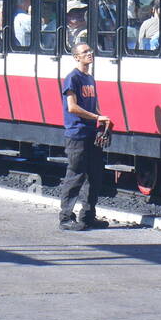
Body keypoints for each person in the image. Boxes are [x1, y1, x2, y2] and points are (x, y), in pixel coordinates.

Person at [59, 41, 113, 232]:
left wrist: (102, 120)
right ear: (76, 57)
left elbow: (93, 104)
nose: (90, 54)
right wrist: (97, 117)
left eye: (90, 50)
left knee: (95, 176)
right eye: (85, 52)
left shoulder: (89, 78)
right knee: (75, 176)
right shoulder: (72, 78)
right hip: (77, 135)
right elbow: (72, 107)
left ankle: (88, 217)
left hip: (91, 134)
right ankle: (65, 218)